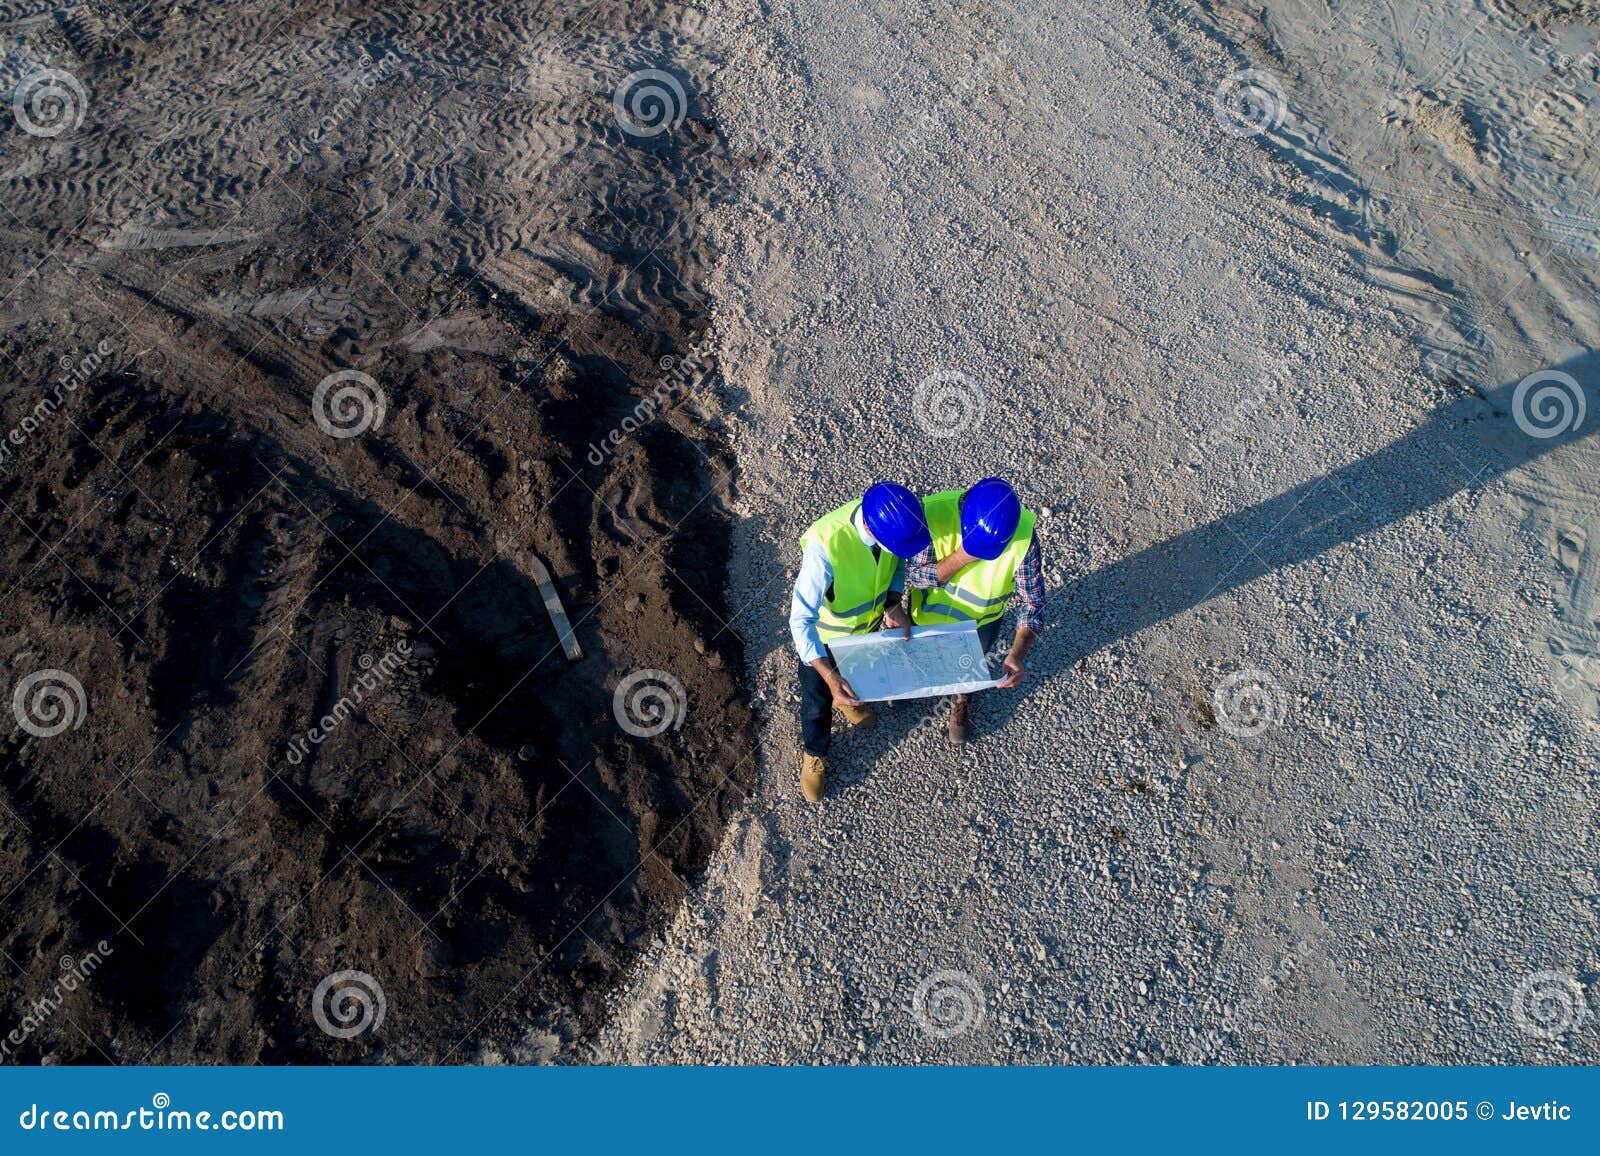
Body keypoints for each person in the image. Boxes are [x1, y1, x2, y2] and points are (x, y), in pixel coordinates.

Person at [790, 482, 931, 802]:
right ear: (871, 528)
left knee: (854, 677)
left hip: (863, 633)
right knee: (816, 704)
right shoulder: (825, 547)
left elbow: (896, 563)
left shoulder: (888, 521)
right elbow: (800, 621)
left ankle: (847, 700)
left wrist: (894, 602)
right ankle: (815, 753)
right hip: (824, 642)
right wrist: (828, 675)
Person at [905, 477, 1046, 744]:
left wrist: (1017, 654)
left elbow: (1033, 603)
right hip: (924, 619)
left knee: (967, 666)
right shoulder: (932, 514)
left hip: (980, 625)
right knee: (918, 657)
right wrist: (962, 557)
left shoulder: (1024, 538)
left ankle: (961, 695)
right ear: (963, 514)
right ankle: (912, 684)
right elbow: (916, 577)